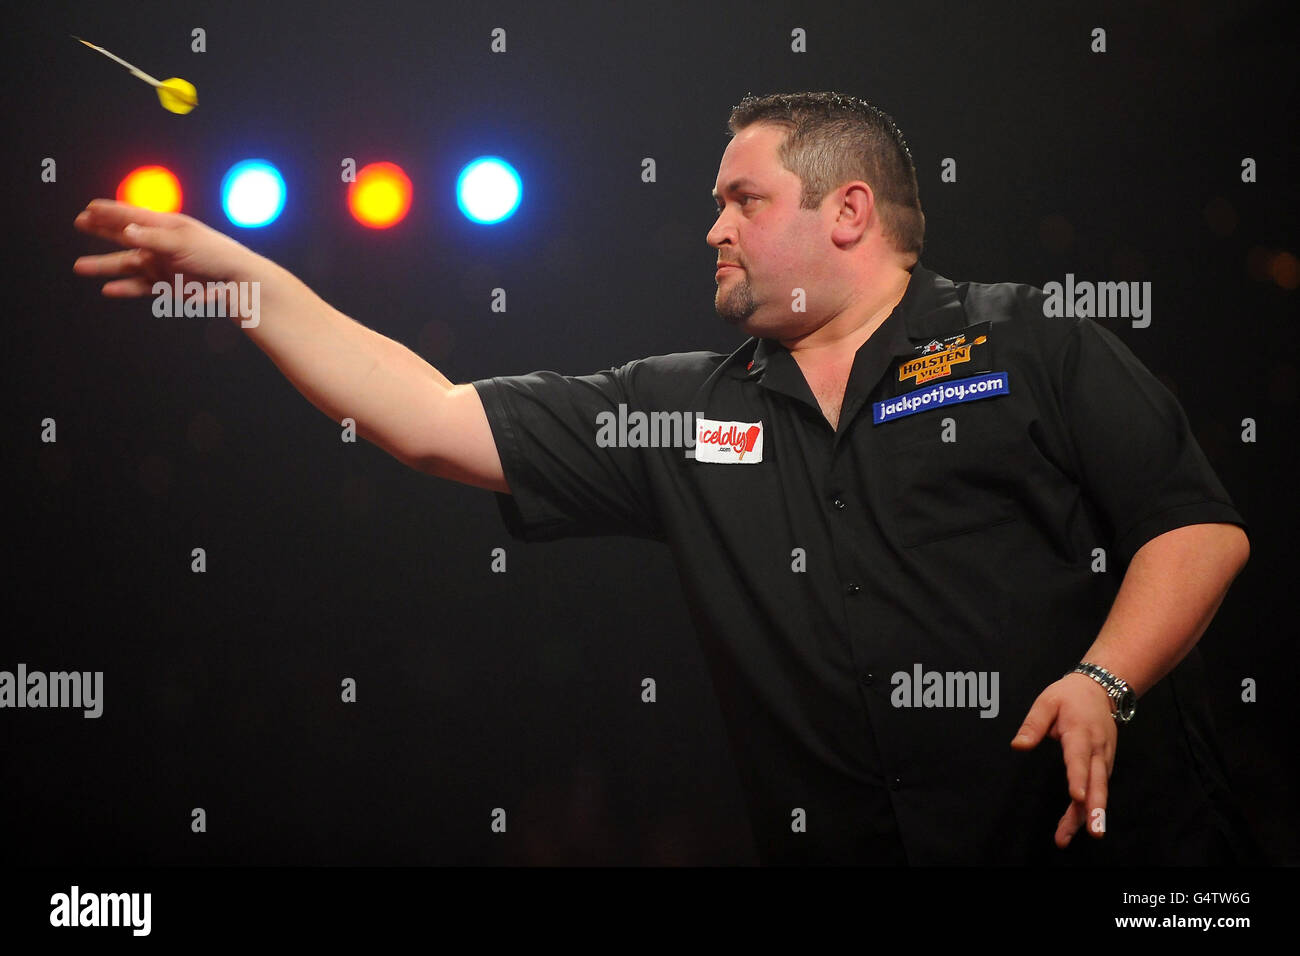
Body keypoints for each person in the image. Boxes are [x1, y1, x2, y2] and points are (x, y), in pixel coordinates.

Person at [73, 91, 1260, 866]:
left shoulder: (1032, 343)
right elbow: (431, 418)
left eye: (742, 200)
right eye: (713, 206)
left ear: (848, 210)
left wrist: (1105, 677)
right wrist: (245, 280)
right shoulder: (685, 407)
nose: (713, 228)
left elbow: (1196, 528)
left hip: (1126, 859)